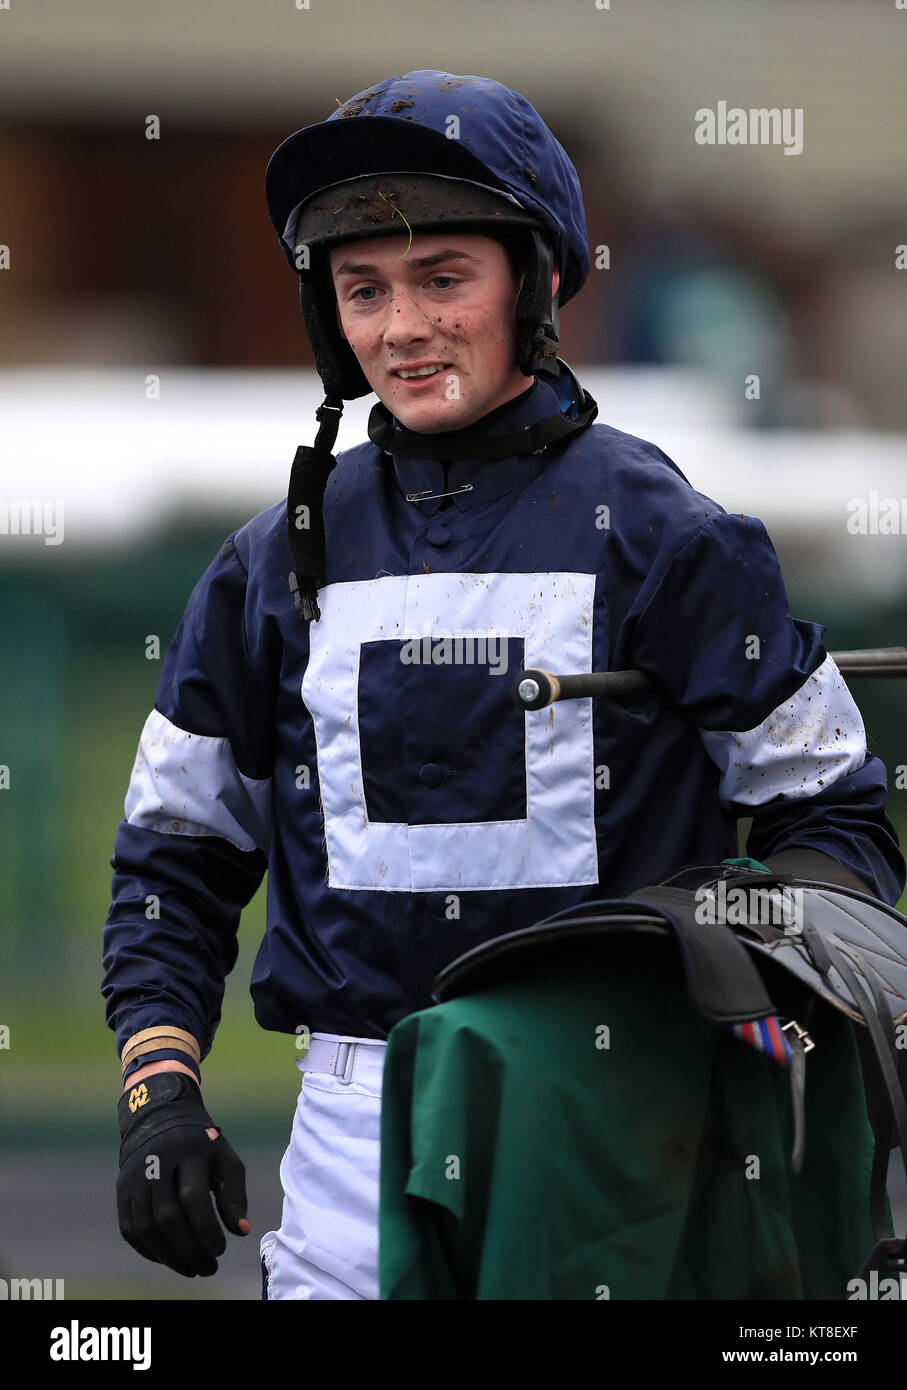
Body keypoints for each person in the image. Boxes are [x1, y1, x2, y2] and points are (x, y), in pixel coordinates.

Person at [102, 69, 905, 1301]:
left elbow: (837, 831)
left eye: (442, 279)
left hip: (610, 1131)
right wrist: (161, 1088)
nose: (402, 328)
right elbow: (176, 859)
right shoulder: (265, 565)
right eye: (363, 291)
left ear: (529, 284)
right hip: (346, 1140)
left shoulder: (670, 536)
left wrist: (704, 984)